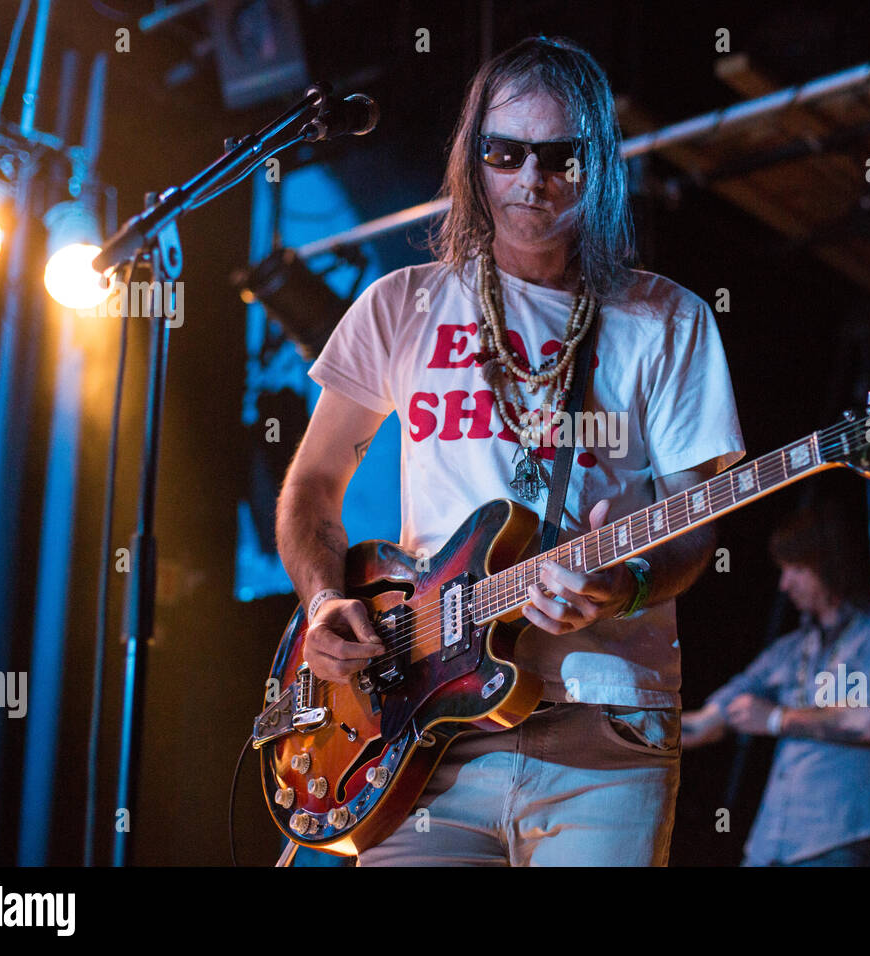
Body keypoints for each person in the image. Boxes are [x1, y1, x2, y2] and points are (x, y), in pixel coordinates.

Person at [275, 35, 744, 866]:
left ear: (596, 162)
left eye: (559, 156)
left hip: (607, 730)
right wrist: (320, 602)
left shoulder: (668, 319)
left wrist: (624, 582)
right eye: (505, 152)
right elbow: (312, 485)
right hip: (423, 735)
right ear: (473, 160)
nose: (531, 178)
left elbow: (696, 529)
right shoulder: (400, 305)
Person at [682, 501, 870, 866]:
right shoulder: (790, 649)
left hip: (839, 838)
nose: (784, 583)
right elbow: (704, 723)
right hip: (770, 843)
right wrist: (630, 726)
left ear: (829, 563)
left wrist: (777, 718)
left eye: (796, 568)